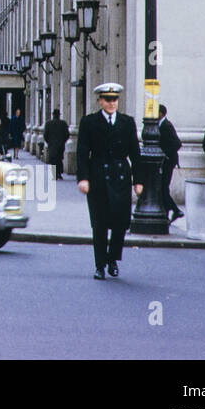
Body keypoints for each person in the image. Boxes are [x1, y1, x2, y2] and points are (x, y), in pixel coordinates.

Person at [76, 83, 143, 280]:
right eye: (107, 99)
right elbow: (82, 152)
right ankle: (100, 265)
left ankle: (113, 258)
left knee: (121, 223)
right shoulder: (89, 122)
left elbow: (135, 154)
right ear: (100, 101)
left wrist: (138, 180)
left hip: (120, 177)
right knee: (99, 224)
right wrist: (83, 178)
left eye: (114, 100)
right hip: (98, 178)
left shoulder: (127, 122)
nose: (112, 103)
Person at [157, 104, 182, 222]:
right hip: (165, 161)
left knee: (163, 187)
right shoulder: (161, 124)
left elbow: (177, 143)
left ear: (161, 113)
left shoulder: (166, 125)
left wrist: (165, 154)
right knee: (163, 188)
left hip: (168, 161)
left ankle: (175, 210)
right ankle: (166, 213)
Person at [43, 108, 69, 180]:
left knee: (52, 159)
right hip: (60, 144)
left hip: (52, 144)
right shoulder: (63, 123)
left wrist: (49, 142)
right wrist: (63, 141)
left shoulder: (48, 123)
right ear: (59, 115)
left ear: (53, 115)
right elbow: (67, 134)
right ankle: (59, 173)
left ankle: (54, 174)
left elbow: (45, 135)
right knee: (59, 158)